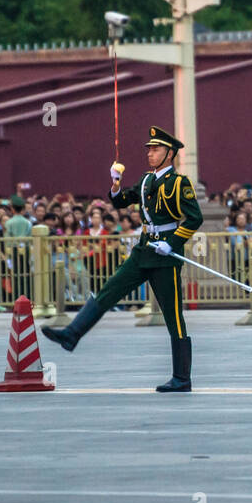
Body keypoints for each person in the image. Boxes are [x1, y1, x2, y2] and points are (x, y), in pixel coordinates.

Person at [40, 126, 203, 392]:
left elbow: (195, 218)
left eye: (156, 149)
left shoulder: (179, 183)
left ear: (170, 153)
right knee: (109, 289)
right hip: (144, 249)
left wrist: (171, 242)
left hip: (165, 255)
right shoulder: (147, 180)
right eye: (149, 149)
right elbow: (122, 201)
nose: (150, 153)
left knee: (174, 317)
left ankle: (182, 378)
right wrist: (115, 184)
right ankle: (72, 334)